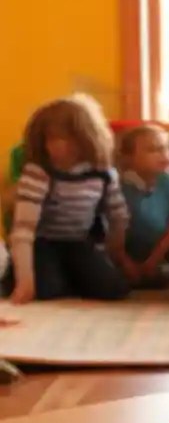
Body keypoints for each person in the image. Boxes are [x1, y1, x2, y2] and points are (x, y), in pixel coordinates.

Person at [3, 94, 133, 303]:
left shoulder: (103, 173)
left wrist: (114, 256)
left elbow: (119, 217)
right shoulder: (38, 173)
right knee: (49, 291)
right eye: (50, 139)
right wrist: (24, 283)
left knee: (114, 288)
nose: (57, 146)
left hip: (80, 242)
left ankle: (72, 277)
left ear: (85, 138)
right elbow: (22, 232)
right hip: (42, 244)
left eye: (65, 138)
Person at [116, 124, 169, 287]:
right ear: (129, 157)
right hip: (126, 254)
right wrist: (125, 261)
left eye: (166, 149)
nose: (164, 156)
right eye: (153, 150)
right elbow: (112, 230)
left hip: (166, 255)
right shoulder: (118, 188)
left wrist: (153, 261)